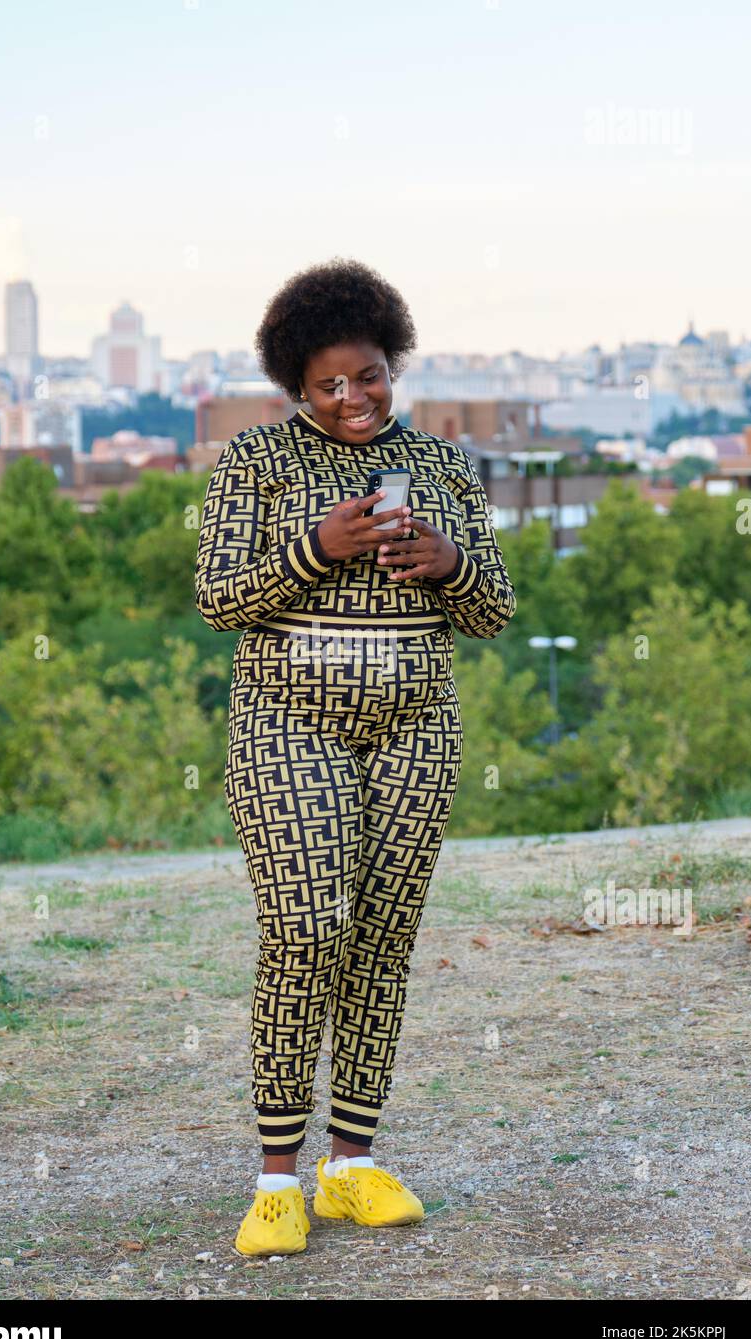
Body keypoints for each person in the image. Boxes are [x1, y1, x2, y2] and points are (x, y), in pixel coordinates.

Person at [194, 257, 517, 1257]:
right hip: (287, 723)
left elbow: (493, 611)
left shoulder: (441, 464)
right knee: (306, 926)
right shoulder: (255, 462)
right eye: (328, 384)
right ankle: (276, 1181)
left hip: (415, 727)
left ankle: (352, 1167)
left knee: (379, 939)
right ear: (297, 385)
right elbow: (217, 599)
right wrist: (317, 547)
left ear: (393, 362)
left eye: (368, 375)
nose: (352, 399)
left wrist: (447, 562)